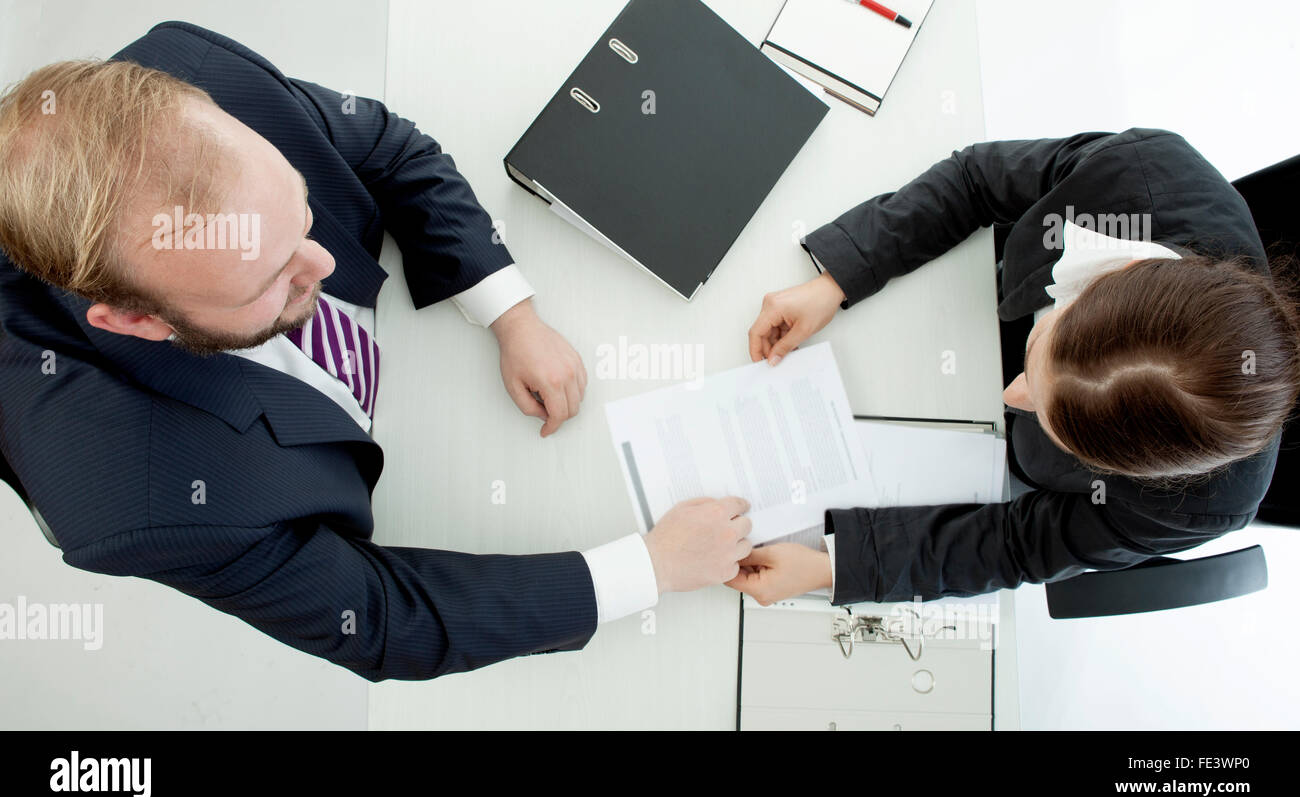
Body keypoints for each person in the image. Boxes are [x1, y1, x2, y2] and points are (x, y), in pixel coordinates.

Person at [0, 22, 752, 681]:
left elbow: (387, 148)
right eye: (270, 279)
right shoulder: (140, 501)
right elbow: (386, 618)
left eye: (298, 214)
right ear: (137, 322)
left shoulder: (198, 74)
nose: (322, 265)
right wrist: (649, 568)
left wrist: (509, 313)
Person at [730, 128, 1300, 605]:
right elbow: (977, 180)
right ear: (1102, 274)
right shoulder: (1143, 174)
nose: (1011, 394)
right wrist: (838, 278)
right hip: (957, 297)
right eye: (1037, 365)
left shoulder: (1204, 508)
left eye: (1052, 420)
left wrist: (836, 568)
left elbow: (1020, 547)